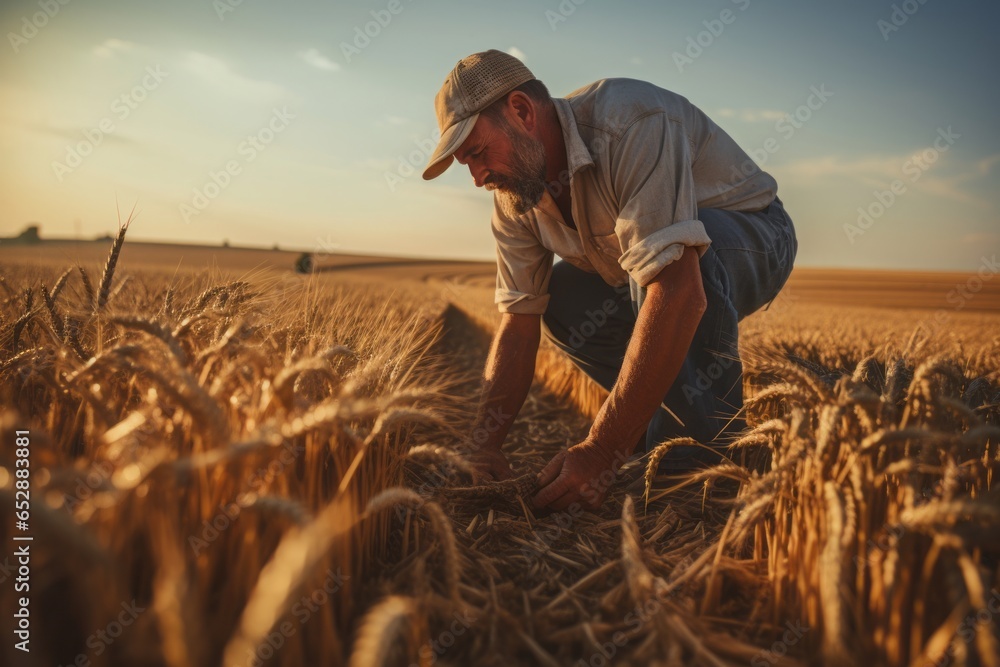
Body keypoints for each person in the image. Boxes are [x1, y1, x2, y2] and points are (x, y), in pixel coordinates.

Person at [422, 50, 797, 512]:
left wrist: (602, 449)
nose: (478, 177)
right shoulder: (513, 196)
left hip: (754, 236)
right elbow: (519, 323)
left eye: (478, 153)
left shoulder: (629, 121)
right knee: (560, 300)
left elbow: (676, 289)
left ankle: (708, 461)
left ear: (521, 111)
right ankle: (656, 424)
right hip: (646, 269)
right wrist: (485, 444)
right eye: (466, 164)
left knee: (670, 259)